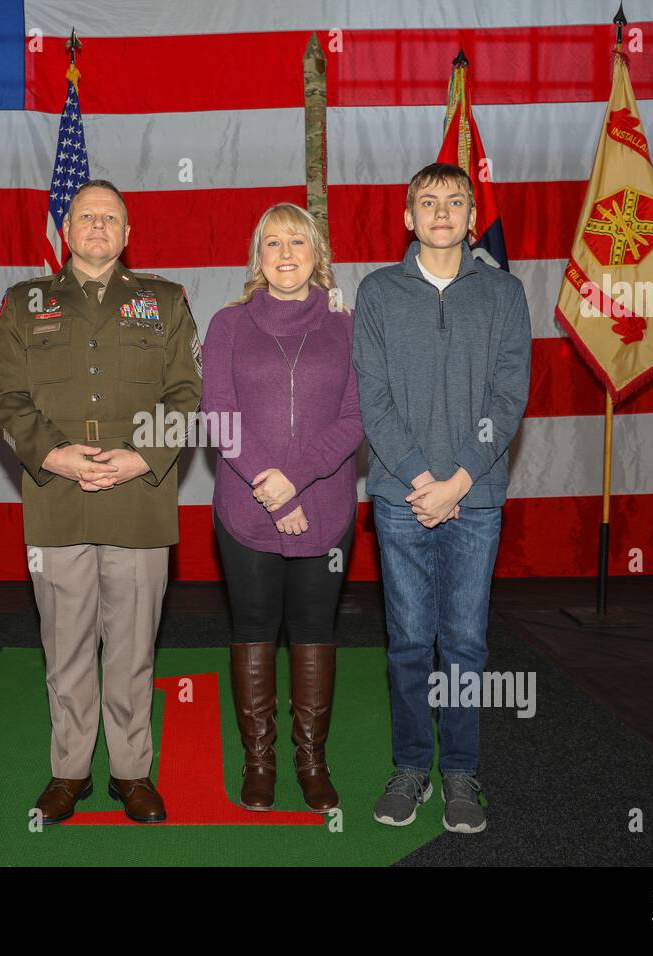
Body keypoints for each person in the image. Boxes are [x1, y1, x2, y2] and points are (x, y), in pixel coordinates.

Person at [0, 180, 202, 824]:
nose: (98, 227)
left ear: (128, 232)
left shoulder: (165, 300)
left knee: (134, 650)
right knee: (67, 648)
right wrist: (56, 456)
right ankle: (70, 772)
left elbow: (187, 394)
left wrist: (140, 457)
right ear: (67, 228)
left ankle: (132, 773)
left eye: (111, 218)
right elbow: (7, 399)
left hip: (138, 499)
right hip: (58, 500)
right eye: (86, 217)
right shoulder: (24, 303)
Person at [354, 162, 531, 834]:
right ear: (408, 217)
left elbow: (509, 397)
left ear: (469, 214)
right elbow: (372, 397)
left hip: (477, 497)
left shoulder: (504, 295)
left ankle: (460, 771)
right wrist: (420, 479)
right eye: (427, 202)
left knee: (463, 641)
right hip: (400, 499)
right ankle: (410, 768)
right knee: (406, 642)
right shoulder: (377, 293)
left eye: (454, 202)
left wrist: (458, 479)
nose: (440, 212)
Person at [201, 203, 364, 814]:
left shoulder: (348, 327)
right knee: (253, 629)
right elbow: (218, 415)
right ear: (257, 257)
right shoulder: (227, 324)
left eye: (299, 241)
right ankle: (260, 760)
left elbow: (356, 418)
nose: (287, 252)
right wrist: (271, 492)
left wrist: (292, 482)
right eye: (273, 242)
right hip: (243, 509)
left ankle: (312, 761)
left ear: (317, 254)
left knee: (315, 630)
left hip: (326, 509)